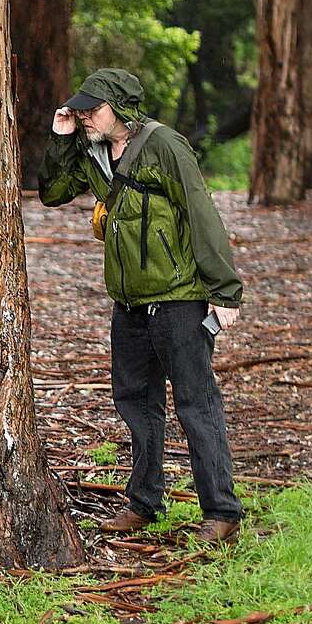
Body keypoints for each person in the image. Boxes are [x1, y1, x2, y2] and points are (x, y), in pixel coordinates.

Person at [37, 67, 244, 544]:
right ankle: (144, 503)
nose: (85, 116)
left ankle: (222, 511)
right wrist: (61, 136)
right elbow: (51, 193)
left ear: (121, 108)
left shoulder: (164, 145)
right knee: (136, 404)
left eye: (93, 109)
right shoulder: (90, 149)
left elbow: (201, 213)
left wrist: (224, 290)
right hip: (128, 303)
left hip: (178, 301)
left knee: (196, 404)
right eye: (81, 109)